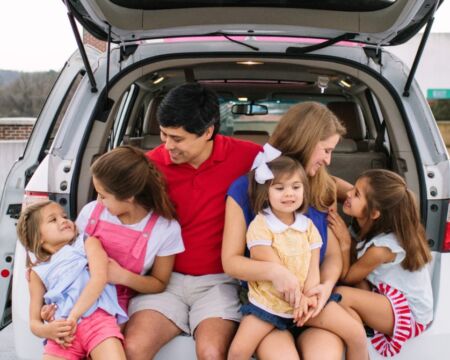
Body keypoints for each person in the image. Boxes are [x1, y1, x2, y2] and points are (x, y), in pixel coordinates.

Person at [124, 83, 262, 360]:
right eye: (163, 134)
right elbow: (109, 196)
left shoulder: (250, 156)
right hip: (163, 282)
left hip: (220, 283)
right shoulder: (150, 166)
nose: (167, 145)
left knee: (212, 353)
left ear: (208, 132)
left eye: (177, 138)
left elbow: (302, 180)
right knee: (133, 348)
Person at [222, 101, 352, 359]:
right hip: (267, 306)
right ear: (306, 141)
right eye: (325, 150)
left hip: (314, 305)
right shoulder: (244, 189)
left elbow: (333, 255)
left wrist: (325, 288)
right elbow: (231, 261)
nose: (328, 159)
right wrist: (275, 272)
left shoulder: (322, 186)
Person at [228, 154, 367, 360]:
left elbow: (313, 267)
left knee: (356, 333)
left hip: (306, 303)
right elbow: (266, 259)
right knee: (238, 351)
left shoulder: (307, 226)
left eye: (296, 187)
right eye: (279, 188)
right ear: (266, 193)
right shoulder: (261, 225)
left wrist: (309, 297)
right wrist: (298, 299)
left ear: (305, 190)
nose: (289, 194)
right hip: (269, 304)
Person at [328, 169, 433, 357]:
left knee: (340, 295)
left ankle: (358, 347)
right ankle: (356, 332)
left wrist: (344, 242)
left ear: (375, 213)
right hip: (387, 296)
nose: (349, 194)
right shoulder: (376, 223)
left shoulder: (381, 249)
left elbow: (347, 277)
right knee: (349, 296)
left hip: (410, 315)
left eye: (357, 194)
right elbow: (333, 182)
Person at [17, 200, 127, 360]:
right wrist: (47, 331)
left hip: (97, 322)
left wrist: (74, 316)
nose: (64, 220)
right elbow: (34, 321)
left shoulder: (87, 243)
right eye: (53, 220)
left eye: (64, 216)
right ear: (38, 237)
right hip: (62, 334)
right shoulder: (37, 272)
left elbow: (99, 279)